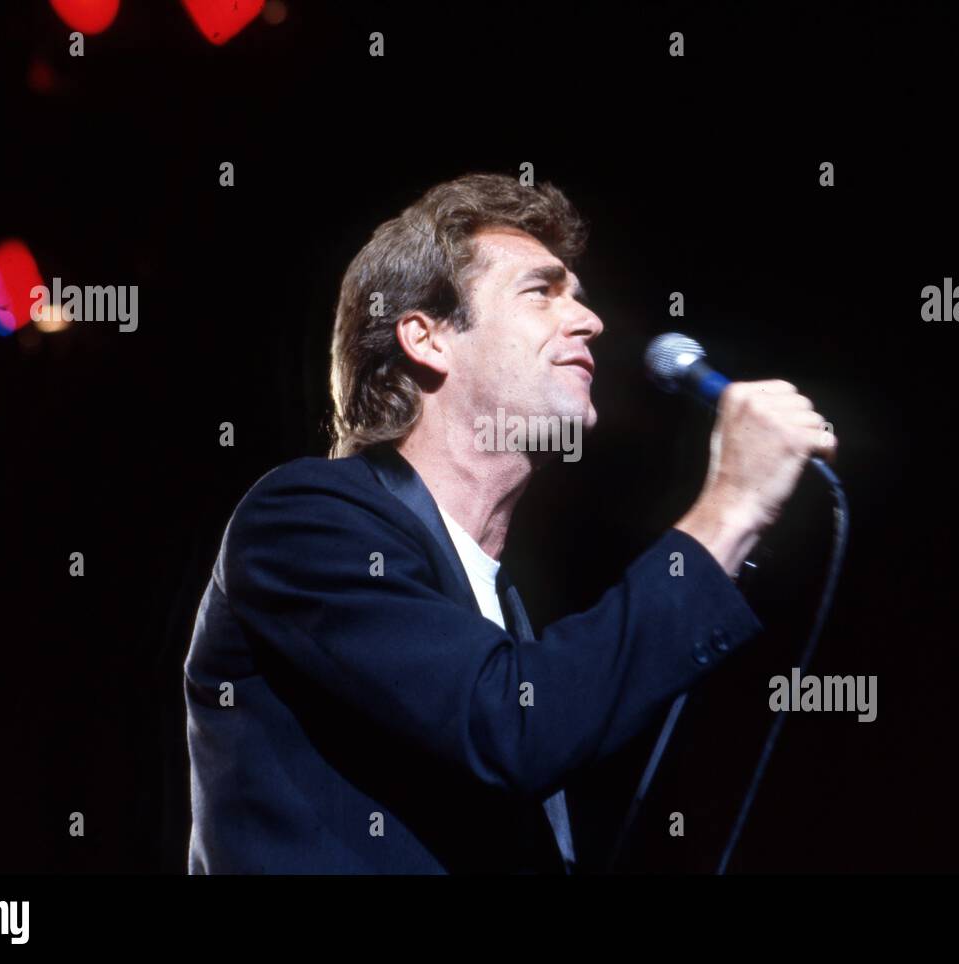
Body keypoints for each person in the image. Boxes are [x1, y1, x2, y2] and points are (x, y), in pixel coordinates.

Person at [184, 173, 837, 873]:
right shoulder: (303, 522)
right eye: (541, 290)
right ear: (427, 337)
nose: (590, 321)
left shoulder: (499, 613)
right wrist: (731, 506)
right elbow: (512, 728)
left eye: (579, 297)